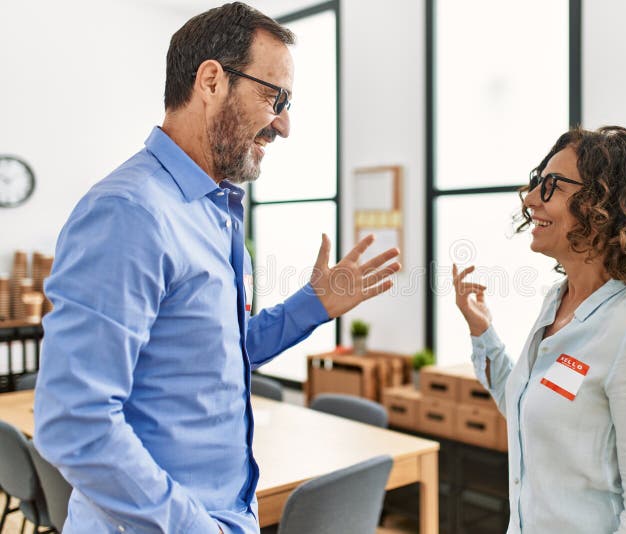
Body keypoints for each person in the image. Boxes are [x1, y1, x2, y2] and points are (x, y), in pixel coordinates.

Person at [33, 3, 400, 533]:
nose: (286, 125)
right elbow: (75, 421)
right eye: (275, 97)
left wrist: (310, 307)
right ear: (211, 80)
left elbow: (217, 351)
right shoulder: (128, 212)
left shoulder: (215, 212)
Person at [453, 126, 626, 533]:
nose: (531, 198)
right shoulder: (558, 301)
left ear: (607, 205)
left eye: (551, 185)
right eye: (538, 182)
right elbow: (522, 403)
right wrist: (482, 330)